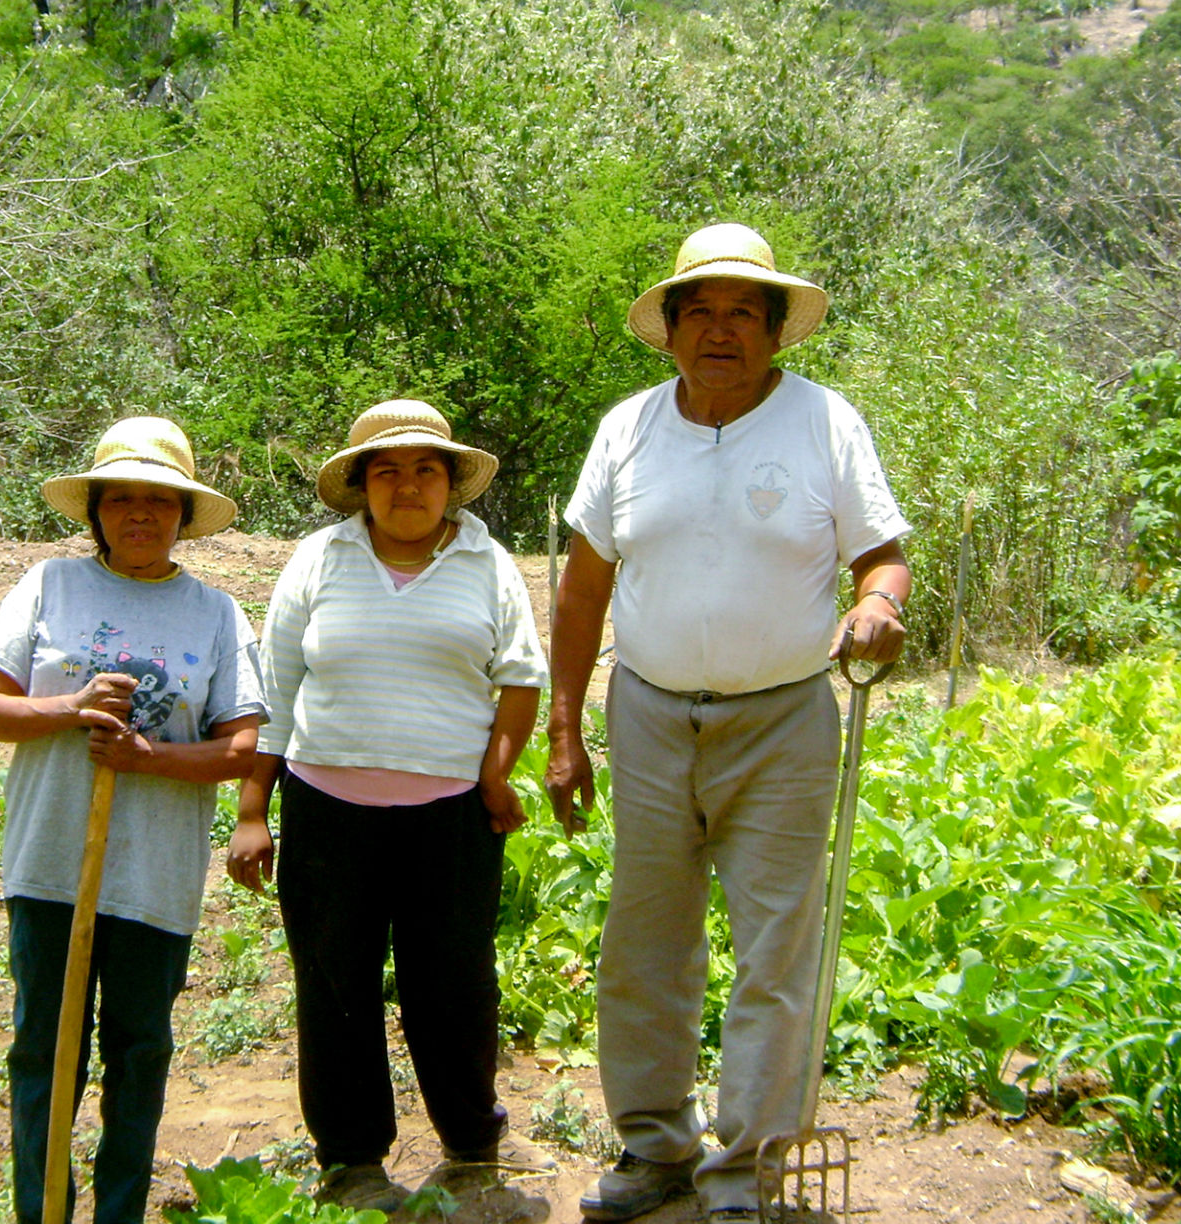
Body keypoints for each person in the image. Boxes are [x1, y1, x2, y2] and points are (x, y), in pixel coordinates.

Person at [543, 223, 912, 1224]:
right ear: (667, 332)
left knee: (776, 950)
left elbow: (881, 554)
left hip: (785, 719)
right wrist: (564, 726)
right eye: (698, 312)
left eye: (741, 313)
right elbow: (581, 596)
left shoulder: (824, 425)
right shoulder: (627, 430)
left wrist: (876, 607)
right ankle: (655, 1146)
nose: (719, 331)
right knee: (643, 942)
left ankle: (745, 1168)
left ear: (775, 332)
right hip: (653, 715)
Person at [226, 399, 551, 1211]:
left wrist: (497, 773)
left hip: (451, 815)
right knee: (334, 986)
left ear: (450, 484)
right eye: (388, 470)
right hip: (328, 810)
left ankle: (472, 1145)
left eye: (426, 470)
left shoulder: (488, 562)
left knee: (454, 985)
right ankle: (352, 1160)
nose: (408, 487)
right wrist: (251, 810)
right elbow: (279, 689)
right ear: (363, 485)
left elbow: (518, 680)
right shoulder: (318, 558)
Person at [0, 416, 267, 1224]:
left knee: (139, 1052)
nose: (141, 514)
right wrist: (69, 705)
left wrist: (150, 760)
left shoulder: (215, 614)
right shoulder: (48, 587)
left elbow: (241, 747)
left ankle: (119, 1213)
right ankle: (41, 1209)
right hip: (51, 860)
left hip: (153, 876)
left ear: (183, 514)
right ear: (95, 510)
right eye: (122, 498)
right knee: (43, 1050)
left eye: (159, 500)